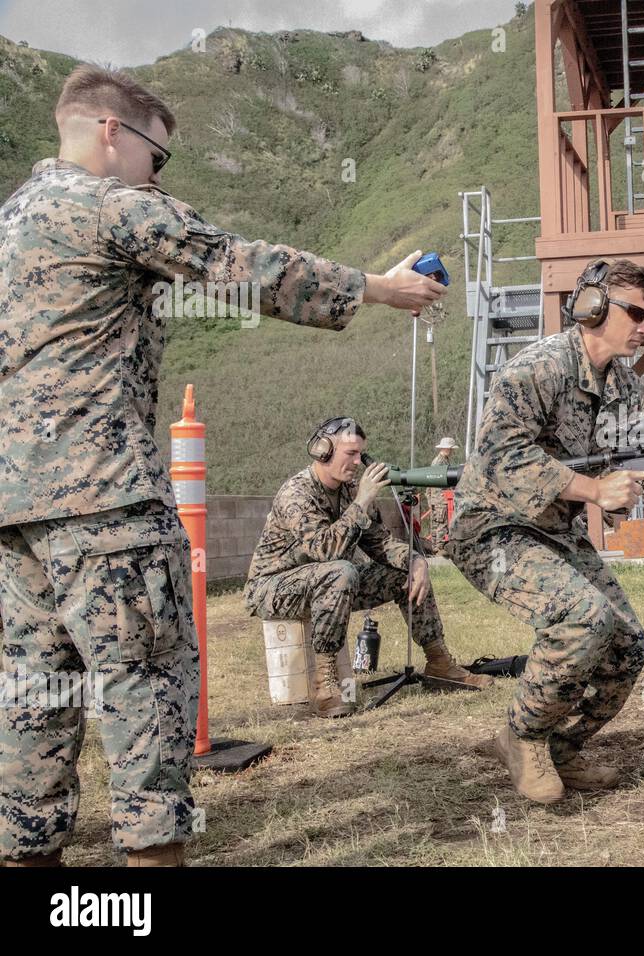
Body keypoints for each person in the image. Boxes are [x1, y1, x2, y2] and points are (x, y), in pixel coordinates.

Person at [0, 65, 445, 868]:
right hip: (106, 504)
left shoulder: (12, 223)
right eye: (157, 159)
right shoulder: (106, 205)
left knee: (36, 700)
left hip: (16, 514)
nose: (158, 177)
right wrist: (376, 289)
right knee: (146, 693)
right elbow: (238, 265)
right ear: (111, 132)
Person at [446, 259, 644, 804]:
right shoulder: (536, 370)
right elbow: (501, 456)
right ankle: (521, 737)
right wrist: (594, 490)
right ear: (592, 308)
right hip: (493, 529)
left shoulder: (630, 390)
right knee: (583, 617)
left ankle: (562, 747)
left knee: (626, 646)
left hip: (553, 532)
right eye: (636, 313)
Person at [245, 419, 491, 717]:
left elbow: (381, 544)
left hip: (330, 583)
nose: (357, 461)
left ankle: (438, 662)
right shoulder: (297, 493)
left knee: (403, 571)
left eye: (360, 454)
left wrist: (415, 560)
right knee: (340, 570)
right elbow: (325, 550)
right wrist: (362, 500)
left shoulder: (350, 491)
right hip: (273, 587)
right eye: (350, 453)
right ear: (323, 450)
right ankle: (325, 682)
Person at [423, 437, 457, 555]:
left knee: (436, 521)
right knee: (441, 522)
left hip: (436, 497)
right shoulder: (440, 462)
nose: (452, 451)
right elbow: (437, 479)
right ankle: (439, 547)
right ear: (447, 449)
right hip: (440, 497)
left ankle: (435, 546)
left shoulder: (441, 460)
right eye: (451, 449)